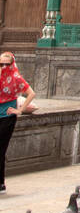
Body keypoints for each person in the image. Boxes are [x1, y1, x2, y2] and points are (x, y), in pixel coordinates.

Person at [0, 52, 35, 193]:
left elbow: (31, 93)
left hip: (7, 117)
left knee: (0, 149)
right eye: (0, 64)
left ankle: (1, 183)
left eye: (6, 64)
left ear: (12, 64)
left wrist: (20, 110)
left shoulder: (15, 77)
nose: (3, 67)